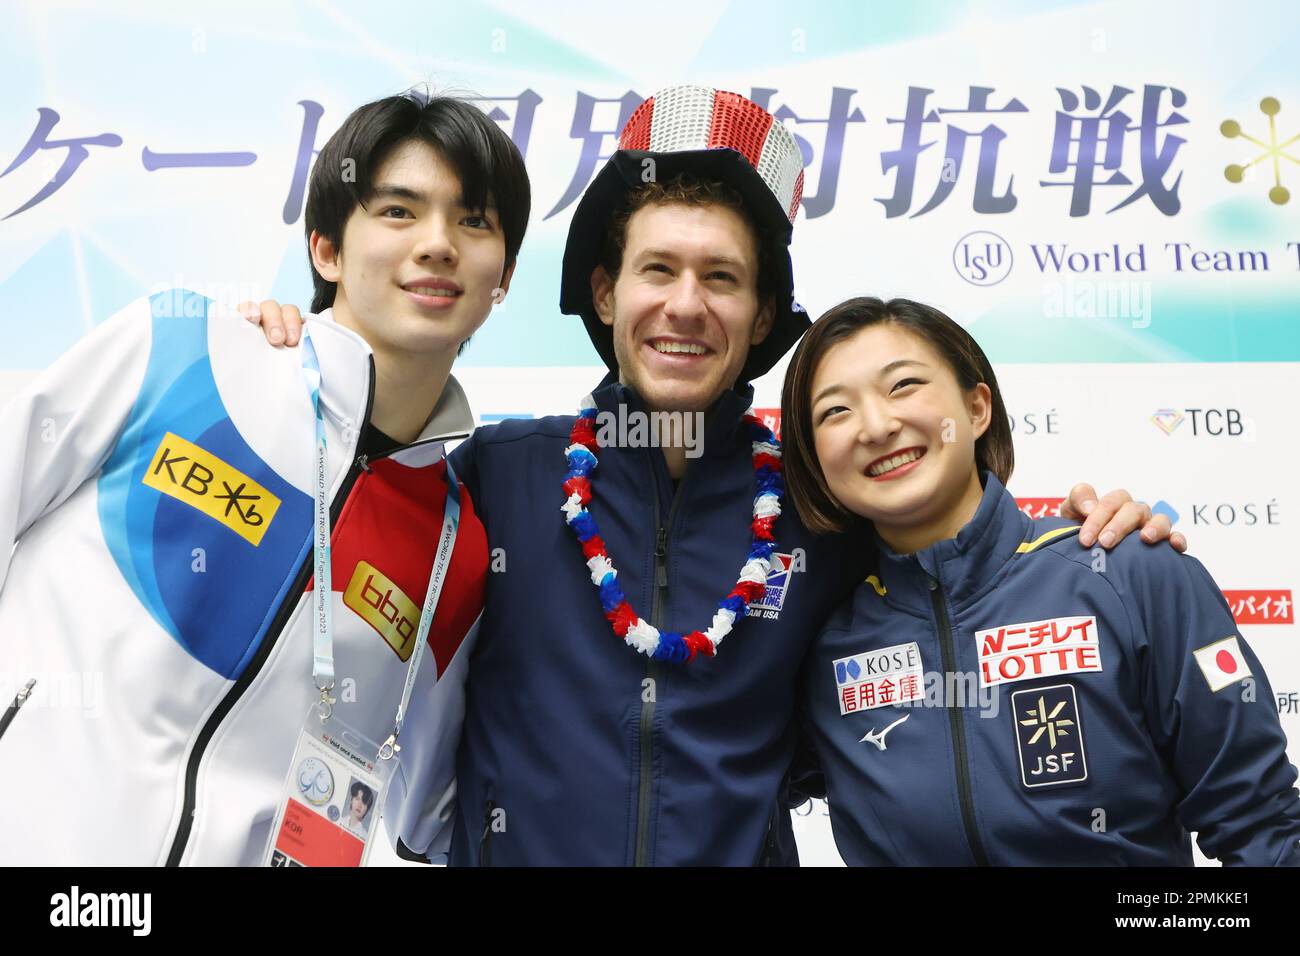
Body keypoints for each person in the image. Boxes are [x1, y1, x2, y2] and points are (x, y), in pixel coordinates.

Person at [248, 86, 1179, 866]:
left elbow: (964, 592)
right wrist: (290, 356)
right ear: (607, 293)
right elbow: (318, 558)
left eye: (722, 278)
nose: (685, 307)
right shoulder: (496, 476)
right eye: (657, 269)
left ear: (764, 309)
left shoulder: (823, 506)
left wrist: (1113, 541)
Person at [0, 88, 529, 865]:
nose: (438, 243)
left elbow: (430, 820)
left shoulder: (457, 550)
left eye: (473, 220)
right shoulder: (180, 348)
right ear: (326, 248)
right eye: (397, 211)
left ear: (503, 276)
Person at [782, 296, 1300, 865]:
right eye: (835, 411)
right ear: (814, 458)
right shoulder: (813, 638)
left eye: (903, 385)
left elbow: (1262, 828)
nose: (877, 426)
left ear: (977, 407)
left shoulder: (1128, 572)